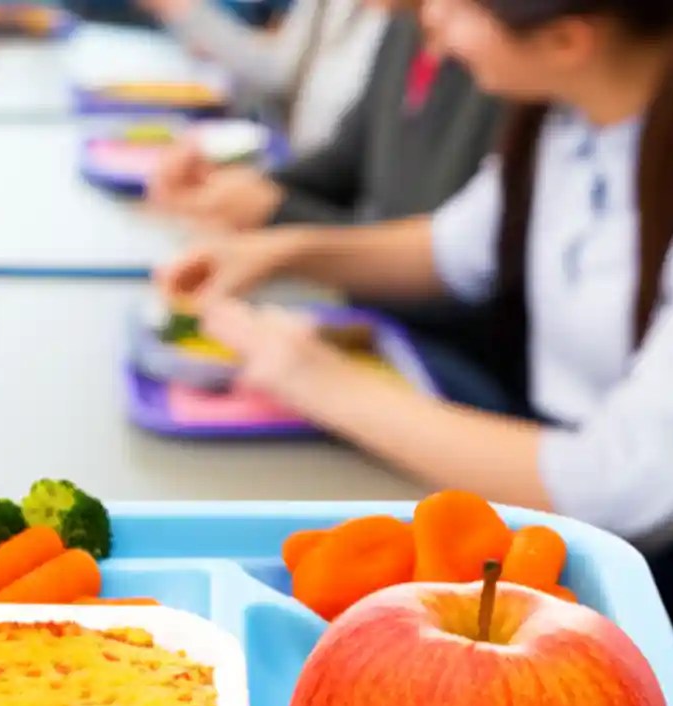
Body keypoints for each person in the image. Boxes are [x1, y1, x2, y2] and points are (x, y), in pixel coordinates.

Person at [157, 0, 673, 617]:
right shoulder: (572, 121)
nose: (432, 21)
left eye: (460, 10)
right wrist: (285, 250)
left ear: (567, 39)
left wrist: (316, 379)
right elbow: (454, 248)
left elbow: (613, 488)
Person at [148, 0, 506, 411]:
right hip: (376, 327)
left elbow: (448, 268)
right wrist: (243, 191)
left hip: (442, 359)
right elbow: (345, 159)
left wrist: (278, 216)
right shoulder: (403, 28)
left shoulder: (498, 66)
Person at [140, 0, 387, 155]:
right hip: (297, 175)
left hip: (324, 194)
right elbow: (281, 71)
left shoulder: (391, 17)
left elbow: (278, 79)